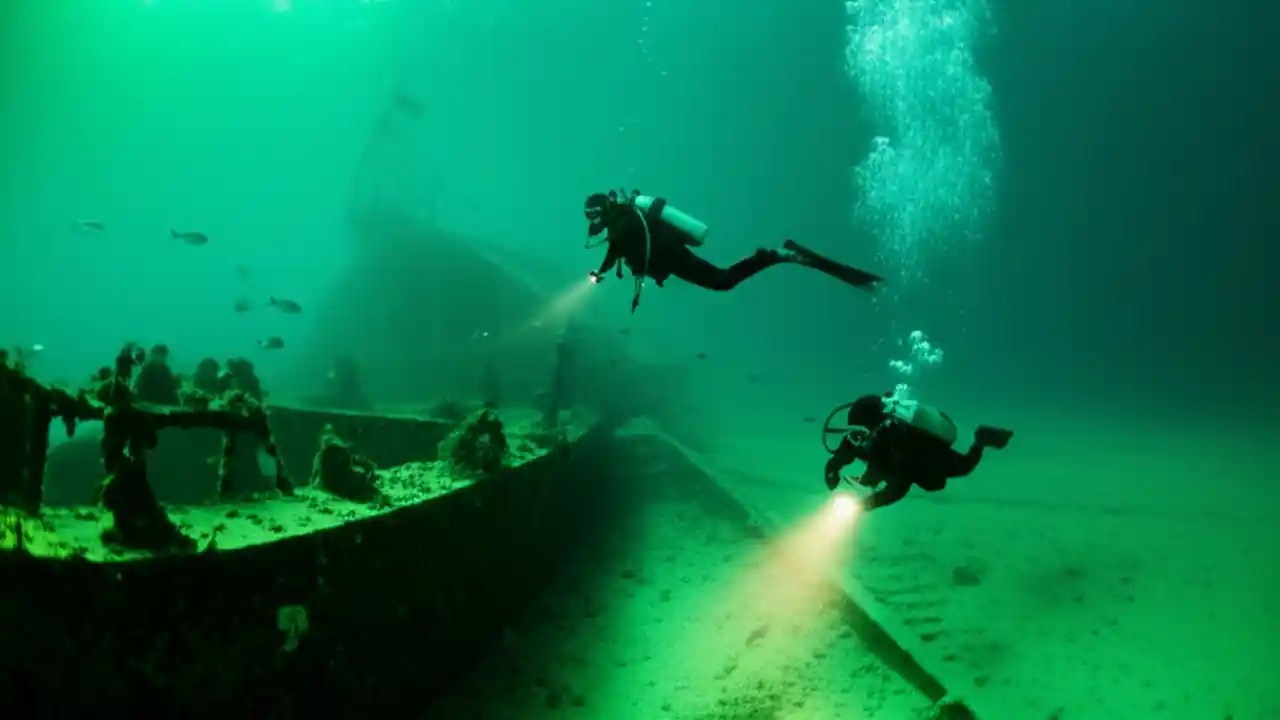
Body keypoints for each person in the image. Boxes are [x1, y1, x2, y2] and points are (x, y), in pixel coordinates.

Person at [583, 189, 883, 312]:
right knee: (721, 281)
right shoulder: (621, 223)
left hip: (674, 258)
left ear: (603, 210)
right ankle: (769, 256)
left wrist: (601, 272)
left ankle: (770, 256)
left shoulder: (623, 225)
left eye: (595, 217)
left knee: (723, 281)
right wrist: (602, 270)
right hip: (671, 260)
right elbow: (618, 249)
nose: (595, 224)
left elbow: (616, 249)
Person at [821, 392, 1013, 511]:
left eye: (860, 434)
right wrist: (832, 469)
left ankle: (981, 439)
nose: (856, 440)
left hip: (926, 456)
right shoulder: (863, 435)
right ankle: (869, 479)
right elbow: (847, 449)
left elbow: (898, 488)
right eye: (854, 434)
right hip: (889, 457)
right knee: (878, 464)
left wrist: (865, 505)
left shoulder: (898, 442)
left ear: (875, 428)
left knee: (964, 467)